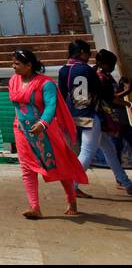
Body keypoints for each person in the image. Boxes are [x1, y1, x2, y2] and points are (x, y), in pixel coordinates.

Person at [9, 48, 87, 219]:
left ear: (29, 65)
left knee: (58, 165)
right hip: (22, 130)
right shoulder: (14, 81)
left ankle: (71, 198)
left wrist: (42, 124)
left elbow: (51, 106)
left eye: (17, 63)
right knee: (27, 167)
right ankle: (35, 207)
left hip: (45, 132)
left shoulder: (46, 84)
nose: (13, 66)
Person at [57, 39, 114, 198]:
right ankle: (72, 185)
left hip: (71, 116)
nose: (90, 56)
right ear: (81, 52)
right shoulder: (86, 70)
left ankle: (123, 180)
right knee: (87, 152)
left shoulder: (63, 70)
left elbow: (61, 95)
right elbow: (101, 92)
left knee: (108, 148)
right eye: (88, 52)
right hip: (88, 115)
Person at [91, 49, 132, 192]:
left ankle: (124, 181)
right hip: (108, 119)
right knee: (90, 154)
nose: (113, 66)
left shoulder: (100, 75)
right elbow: (111, 98)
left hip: (108, 119)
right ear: (104, 63)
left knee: (112, 151)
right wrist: (127, 95)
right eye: (112, 64)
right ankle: (73, 184)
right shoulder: (101, 77)